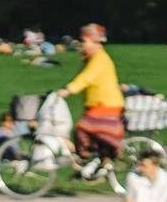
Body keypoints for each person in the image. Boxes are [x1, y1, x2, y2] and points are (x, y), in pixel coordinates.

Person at [53, 23, 124, 175]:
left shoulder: (99, 58)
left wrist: (68, 90)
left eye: (84, 41)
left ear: (94, 41)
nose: (82, 45)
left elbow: (87, 77)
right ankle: (101, 164)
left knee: (83, 128)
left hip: (106, 105)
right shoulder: (93, 58)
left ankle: (87, 159)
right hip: (100, 105)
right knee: (94, 136)